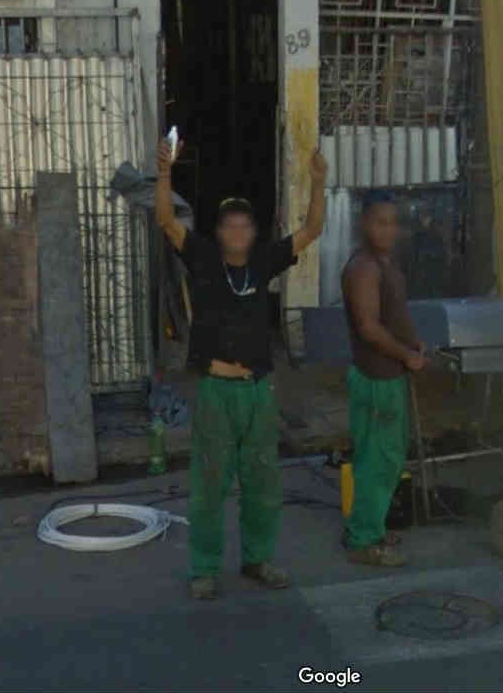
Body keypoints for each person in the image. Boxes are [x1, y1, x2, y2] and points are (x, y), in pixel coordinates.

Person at [155, 137, 327, 600]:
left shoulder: (265, 259)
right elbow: (166, 220)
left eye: (243, 224)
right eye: (228, 224)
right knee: (210, 482)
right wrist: (165, 172)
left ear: (253, 231)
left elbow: (312, 230)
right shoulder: (205, 258)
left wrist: (318, 181)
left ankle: (258, 558)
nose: (236, 230)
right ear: (219, 230)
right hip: (216, 390)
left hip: (258, 391)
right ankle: (204, 567)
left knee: (262, 481)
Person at [340, 192, 427, 566]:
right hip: (377, 380)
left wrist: (414, 343)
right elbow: (369, 327)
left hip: (388, 376)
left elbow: (393, 317)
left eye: (393, 222)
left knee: (383, 459)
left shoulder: (383, 262)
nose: (388, 229)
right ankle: (363, 541)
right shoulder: (364, 267)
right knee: (378, 461)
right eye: (380, 221)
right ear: (364, 223)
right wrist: (406, 354)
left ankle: (368, 527)